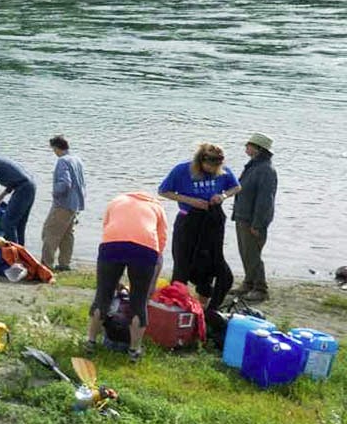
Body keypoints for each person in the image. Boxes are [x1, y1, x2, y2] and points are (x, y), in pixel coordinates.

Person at [85, 192, 168, 362]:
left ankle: (90, 342)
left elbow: (106, 226)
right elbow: (162, 239)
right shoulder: (157, 207)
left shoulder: (116, 201)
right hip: (144, 249)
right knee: (139, 300)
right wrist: (154, 264)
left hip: (112, 244)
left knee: (102, 295)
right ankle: (134, 350)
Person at [159, 143, 240, 312]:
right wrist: (190, 200)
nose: (212, 170)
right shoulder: (182, 170)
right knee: (182, 264)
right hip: (188, 220)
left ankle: (206, 307)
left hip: (212, 221)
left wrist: (223, 196)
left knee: (214, 267)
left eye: (216, 168)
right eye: (209, 166)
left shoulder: (222, 170)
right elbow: (163, 191)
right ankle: (177, 305)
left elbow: (236, 187)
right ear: (200, 161)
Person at [231, 133, 278, 303]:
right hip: (243, 217)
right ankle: (248, 283)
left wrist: (258, 224)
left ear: (258, 149)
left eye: (248, 145)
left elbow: (265, 200)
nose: (246, 147)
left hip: (253, 221)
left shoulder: (265, 170)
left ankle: (260, 289)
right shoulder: (254, 166)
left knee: (253, 255)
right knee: (245, 253)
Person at [40, 135, 86, 272]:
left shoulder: (62, 161)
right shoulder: (77, 160)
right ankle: (64, 264)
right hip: (75, 204)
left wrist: (55, 193)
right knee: (67, 234)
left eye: (53, 149)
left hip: (63, 204)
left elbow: (65, 183)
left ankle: (46, 265)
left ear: (56, 148)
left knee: (49, 232)